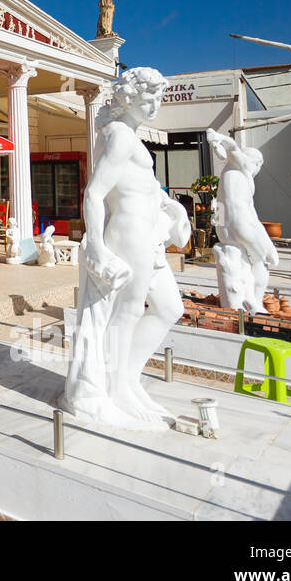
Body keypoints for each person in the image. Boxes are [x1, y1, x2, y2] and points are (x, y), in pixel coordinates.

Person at [63, 67, 188, 429]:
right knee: (127, 312)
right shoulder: (118, 134)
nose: (155, 105)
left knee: (169, 307)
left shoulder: (131, 135)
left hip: (149, 234)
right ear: (129, 98)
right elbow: (95, 193)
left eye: (159, 98)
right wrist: (97, 246)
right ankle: (118, 387)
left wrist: (170, 206)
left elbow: (144, 185)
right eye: (148, 98)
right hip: (129, 232)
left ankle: (128, 378)